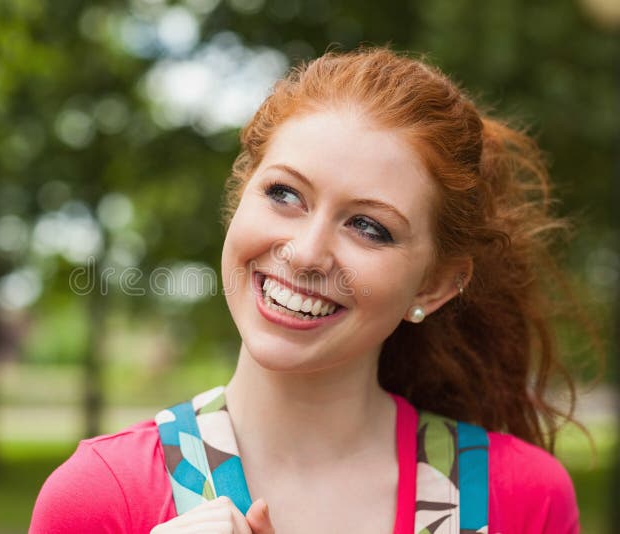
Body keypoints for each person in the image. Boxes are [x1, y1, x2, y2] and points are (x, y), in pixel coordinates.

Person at [29, 47, 585, 533]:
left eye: (369, 227)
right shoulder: (101, 499)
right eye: (285, 195)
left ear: (437, 284)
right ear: (240, 195)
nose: (306, 252)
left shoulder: (524, 498)